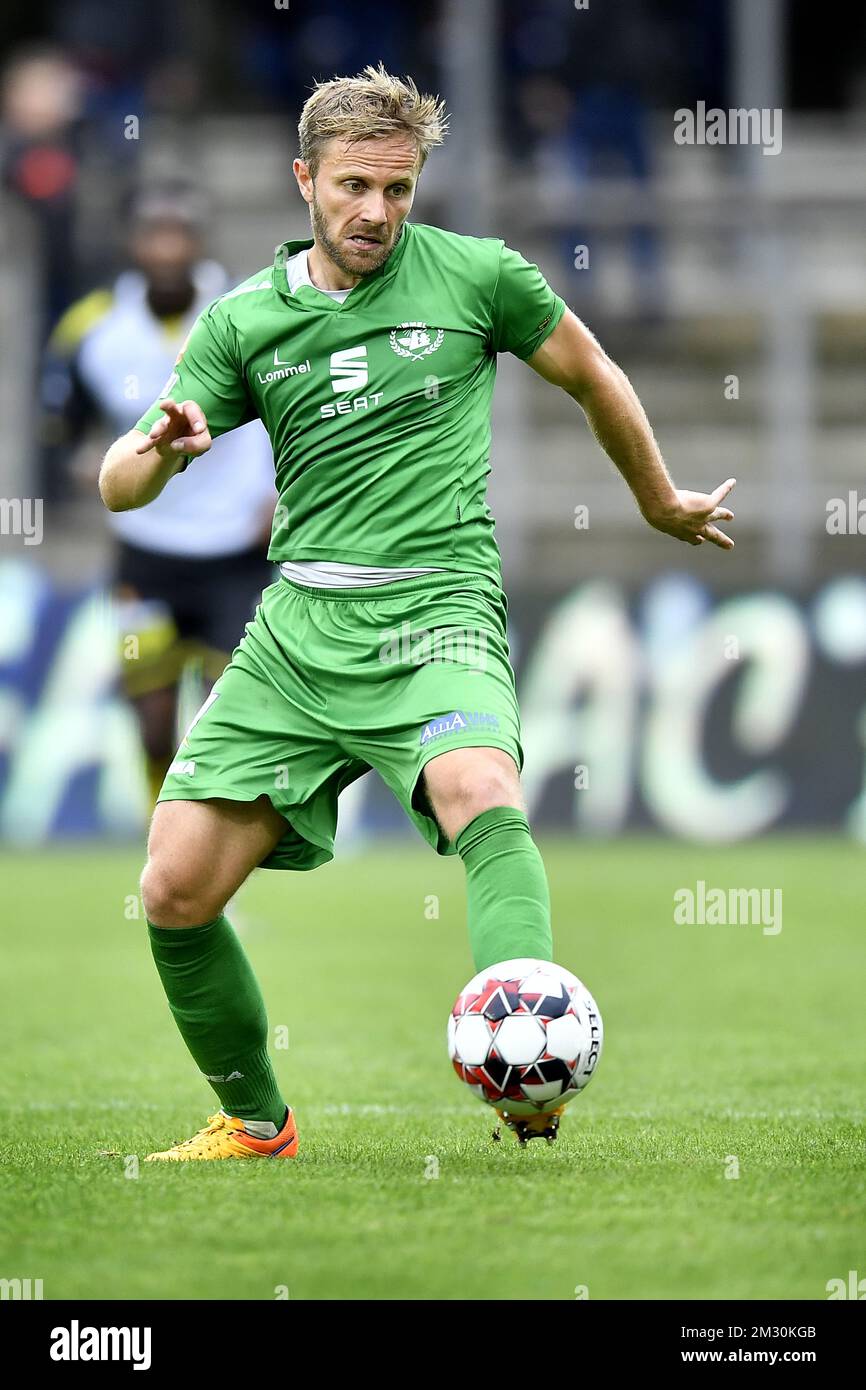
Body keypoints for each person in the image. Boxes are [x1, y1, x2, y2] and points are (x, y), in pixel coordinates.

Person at [98, 63, 735, 1159]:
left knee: (478, 785)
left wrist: (655, 497)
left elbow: (590, 373)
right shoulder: (245, 319)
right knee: (172, 887)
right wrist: (154, 456)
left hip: (437, 609)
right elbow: (116, 481)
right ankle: (256, 1123)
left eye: (398, 190)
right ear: (305, 180)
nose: (377, 214)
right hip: (298, 631)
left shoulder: (478, 277)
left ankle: (530, 1080)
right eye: (354, 186)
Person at [45, 184, 276, 804]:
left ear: (200, 242)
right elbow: (59, 425)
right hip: (145, 551)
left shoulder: (247, 311)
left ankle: (206, 867)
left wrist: (282, 493)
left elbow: (296, 408)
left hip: (235, 548)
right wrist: (75, 466)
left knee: (221, 726)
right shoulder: (92, 328)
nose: (168, 249)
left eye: (181, 235)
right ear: (135, 244)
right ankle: (163, 842)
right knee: (151, 727)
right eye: (156, 235)